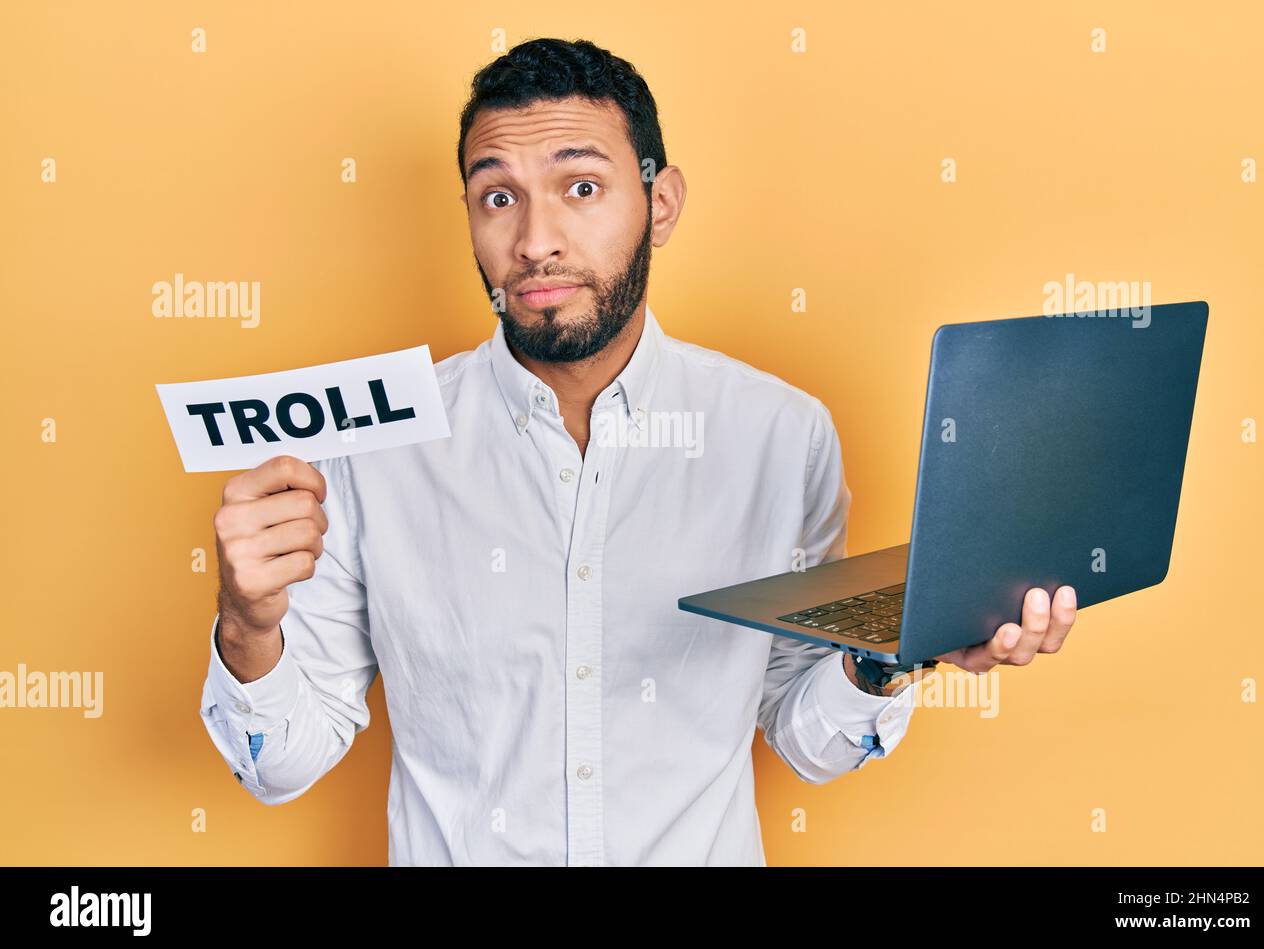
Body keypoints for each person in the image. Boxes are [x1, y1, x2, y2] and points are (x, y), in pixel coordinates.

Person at [199, 37, 1076, 866]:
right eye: (498, 196)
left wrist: (894, 647)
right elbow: (279, 764)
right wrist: (247, 622)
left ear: (660, 204)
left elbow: (808, 742)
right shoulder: (373, 449)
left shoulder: (781, 433)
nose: (535, 240)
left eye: (580, 187)